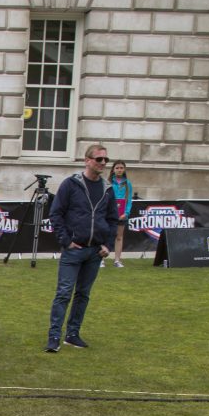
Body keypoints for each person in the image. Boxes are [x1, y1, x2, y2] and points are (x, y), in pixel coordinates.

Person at [45, 144, 119, 352]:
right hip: (73, 250)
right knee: (63, 293)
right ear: (87, 160)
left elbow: (113, 219)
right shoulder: (70, 185)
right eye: (99, 159)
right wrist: (66, 241)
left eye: (105, 159)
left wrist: (108, 245)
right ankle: (54, 337)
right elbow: (56, 214)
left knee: (83, 294)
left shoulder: (107, 189)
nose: (103, 163)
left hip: (95, 251)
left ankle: (73, 334)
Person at [107, 160, 133, 268]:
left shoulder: (128, 184)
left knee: (119, 237)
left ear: (124, 169)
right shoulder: (108, 182)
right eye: (117, 168)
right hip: (108, 214)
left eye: (121, 168)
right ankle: (101, 260)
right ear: (113, 169)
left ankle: (117, 260)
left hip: (122, 215)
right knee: (105, 235)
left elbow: (129, 200)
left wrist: (126, 213)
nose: (119, 170)